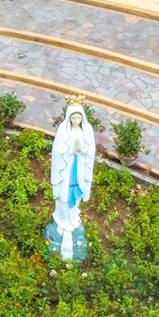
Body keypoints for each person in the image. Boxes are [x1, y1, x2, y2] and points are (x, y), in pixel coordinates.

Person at [47, 104, 97, 263]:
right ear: (69, 118)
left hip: (78, 169)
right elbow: (57, 151)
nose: (76, 120)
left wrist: (81, 149)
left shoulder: (86, 131)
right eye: (73, 117)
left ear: (82, 118)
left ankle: (72, 219)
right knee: (63, 197)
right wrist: (70, 150)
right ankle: (62, 219)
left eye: (78, 117)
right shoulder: (64, 131)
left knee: (75, 198)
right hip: (66, 170)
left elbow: (91, 151)